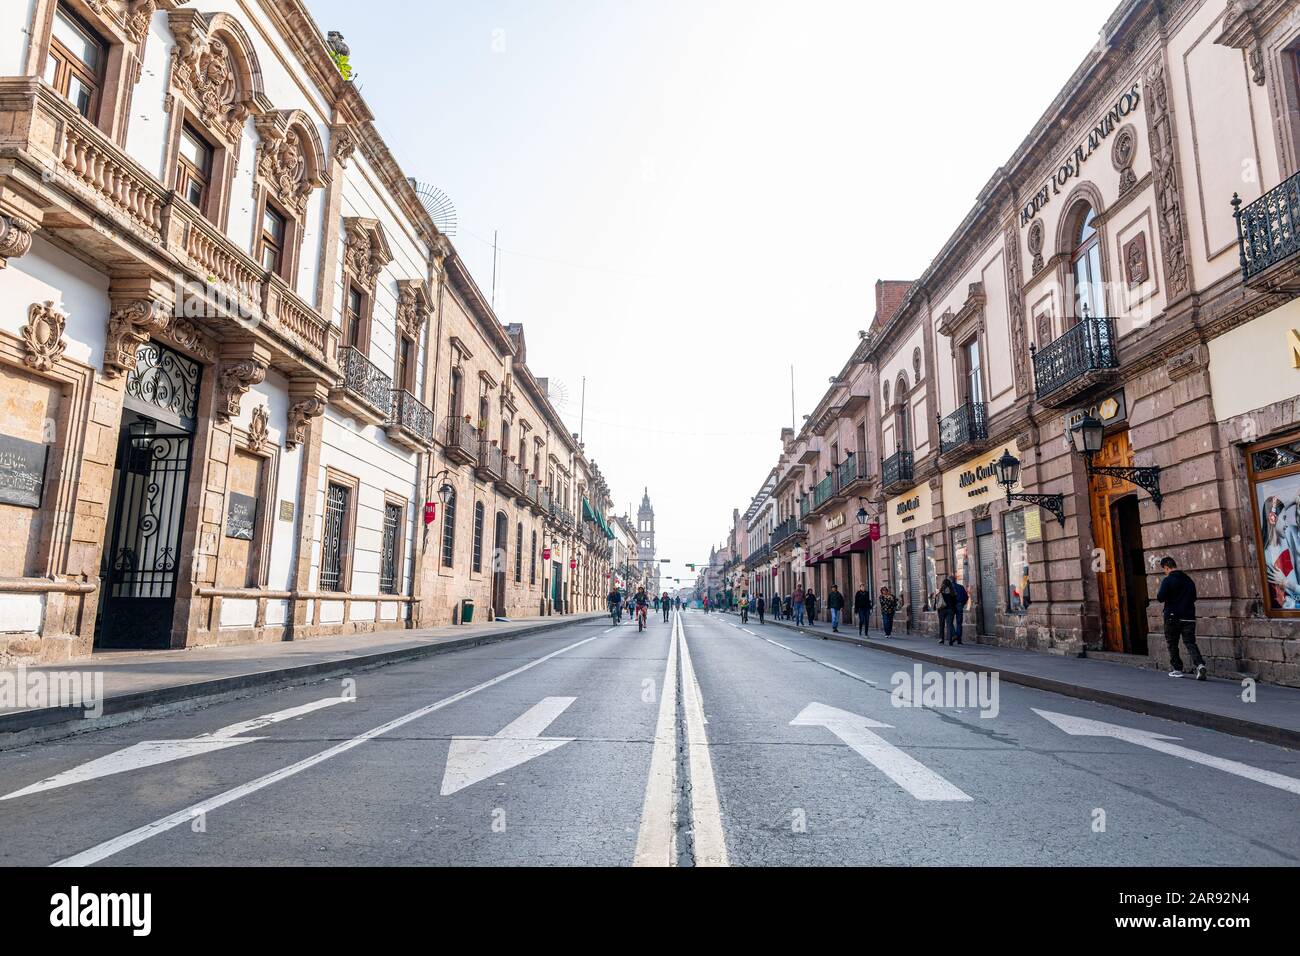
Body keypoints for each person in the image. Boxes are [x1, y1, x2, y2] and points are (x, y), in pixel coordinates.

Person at [1156, 556, 1206, 680]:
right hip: (1188, 617)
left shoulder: (1168, 580)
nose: (1165, 572)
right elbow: (1194, 597)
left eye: (1164, 569)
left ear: (1166, 567)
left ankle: (1177, 669)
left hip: (1172, 616)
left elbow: (1160, 597)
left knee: (1172, 643)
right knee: (1190, 642)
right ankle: (1200, 665)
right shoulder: (1188, 580)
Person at [937, 578, 958, 646]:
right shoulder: (953, 592)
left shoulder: (941, 591)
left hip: (942, 610)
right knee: (949, 625)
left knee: (941, 624)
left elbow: (937, 601)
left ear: (943, 584)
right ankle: (950, 640)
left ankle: (941, 639)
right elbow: (955, 602)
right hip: (951, 609)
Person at [952, 578, 968, 645]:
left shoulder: (948, 588)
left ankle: (954, 635)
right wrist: (962, 604)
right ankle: (959, 640)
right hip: (959, 605)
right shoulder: (960, 587)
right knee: (959, 623)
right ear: (955, 580)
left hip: (951, 606)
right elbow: (966, 597)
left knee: (949, 622)